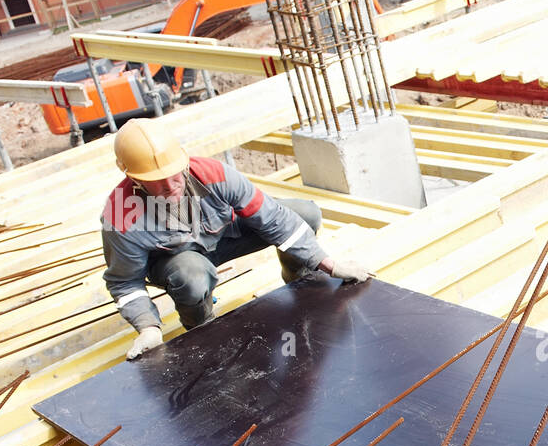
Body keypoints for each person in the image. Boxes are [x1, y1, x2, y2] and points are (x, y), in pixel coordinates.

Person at [101, 118, 372, 360]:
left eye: (173, 176)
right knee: (192, 277)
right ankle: (203, 329)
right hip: (179, 263)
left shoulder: (212, 174)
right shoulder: (121, 214)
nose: (169, 186)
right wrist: (148, 327)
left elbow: (275, 218)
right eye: (157, 181)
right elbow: (126, 283)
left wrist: (327, 264)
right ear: (132, 176)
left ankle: (301, 283)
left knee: (304, 214)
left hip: (224, 238)